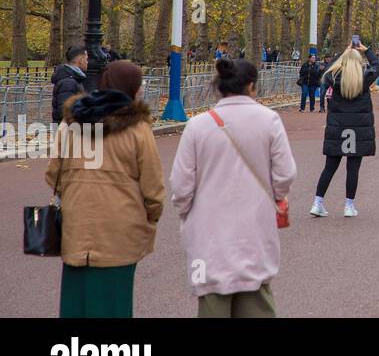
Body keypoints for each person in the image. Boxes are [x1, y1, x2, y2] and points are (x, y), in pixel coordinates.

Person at [170, 58, 296, 317]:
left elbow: (181, 185)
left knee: (211, 300)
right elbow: (285, 174)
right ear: (252, 86)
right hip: (255, 229)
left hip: (208, 232)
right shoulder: (269, 120)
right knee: (257, 296)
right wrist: (276, 197)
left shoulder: (197, 125)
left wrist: (188, 214)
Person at [46, 60, 164, 318]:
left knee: (76, 302)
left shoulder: (71, 125)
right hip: (120, 230)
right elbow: (153, 187)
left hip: (76, 226)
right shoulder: (138, 128)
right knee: (114, 303)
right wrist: (151, 218)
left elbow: (52, 174)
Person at [312, 47, 377, 218]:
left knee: (329, 167)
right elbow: (378, 66)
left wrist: (343, 53)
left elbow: (327, 70)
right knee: (352, 169)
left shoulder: (333, 76)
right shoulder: (364, 78)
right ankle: (349, 205)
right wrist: (366, 50)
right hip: (358, 127)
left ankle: (318, 202)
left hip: (338, 126)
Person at [51, 45, 87, 123]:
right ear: (80, 60)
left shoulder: (73, 79)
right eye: (86, 59)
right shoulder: (68, 82)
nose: (87, 62)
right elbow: (64, 111)